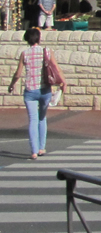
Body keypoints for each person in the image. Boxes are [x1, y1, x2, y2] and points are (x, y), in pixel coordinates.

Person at [7, 28, 65, 160]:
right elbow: (56, 68)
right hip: (45, 90)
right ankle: (41, 148)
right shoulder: (47, 51)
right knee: (42, 118)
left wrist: (11, 85)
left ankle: (33, 151)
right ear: (39, 38)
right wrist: (63, 81)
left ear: (27, 39)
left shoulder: (24, 54)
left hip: (30, 91)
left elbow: (18, 73)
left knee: (32, 119)